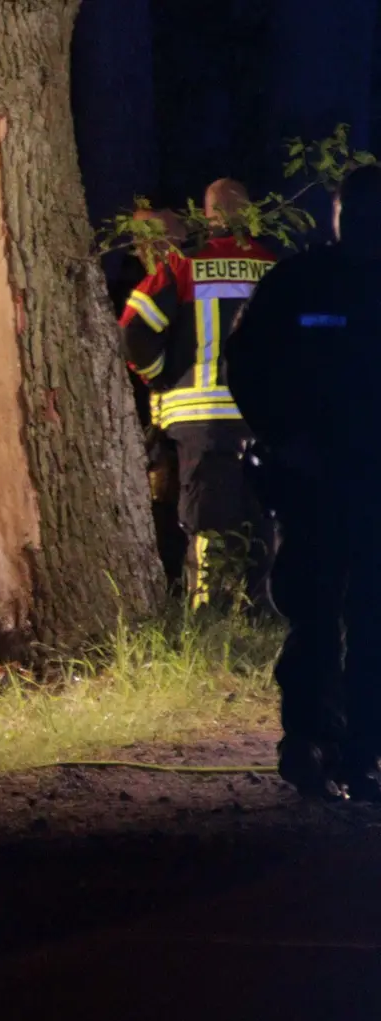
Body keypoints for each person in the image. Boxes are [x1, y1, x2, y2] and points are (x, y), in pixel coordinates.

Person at [228, 165, 381, 800]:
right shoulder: (298, 282)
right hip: (314, 479)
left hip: (368, 481)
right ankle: (311, 743)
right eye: (357, 209)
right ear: (339, 214)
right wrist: (283, 439)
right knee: (315, 612)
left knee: (369, 618)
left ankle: (361, 754)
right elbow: (245, 364)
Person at [118, 179, 279, 608]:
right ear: (250, 214)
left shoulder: (185, 266)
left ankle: (210, 615)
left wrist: (158, 376)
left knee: (208, 520)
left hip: (202, 419)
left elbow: (134, 327)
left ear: (209, 218)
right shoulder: (277, 267)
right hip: (265, 420)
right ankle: (263, 612)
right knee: (262, 515)